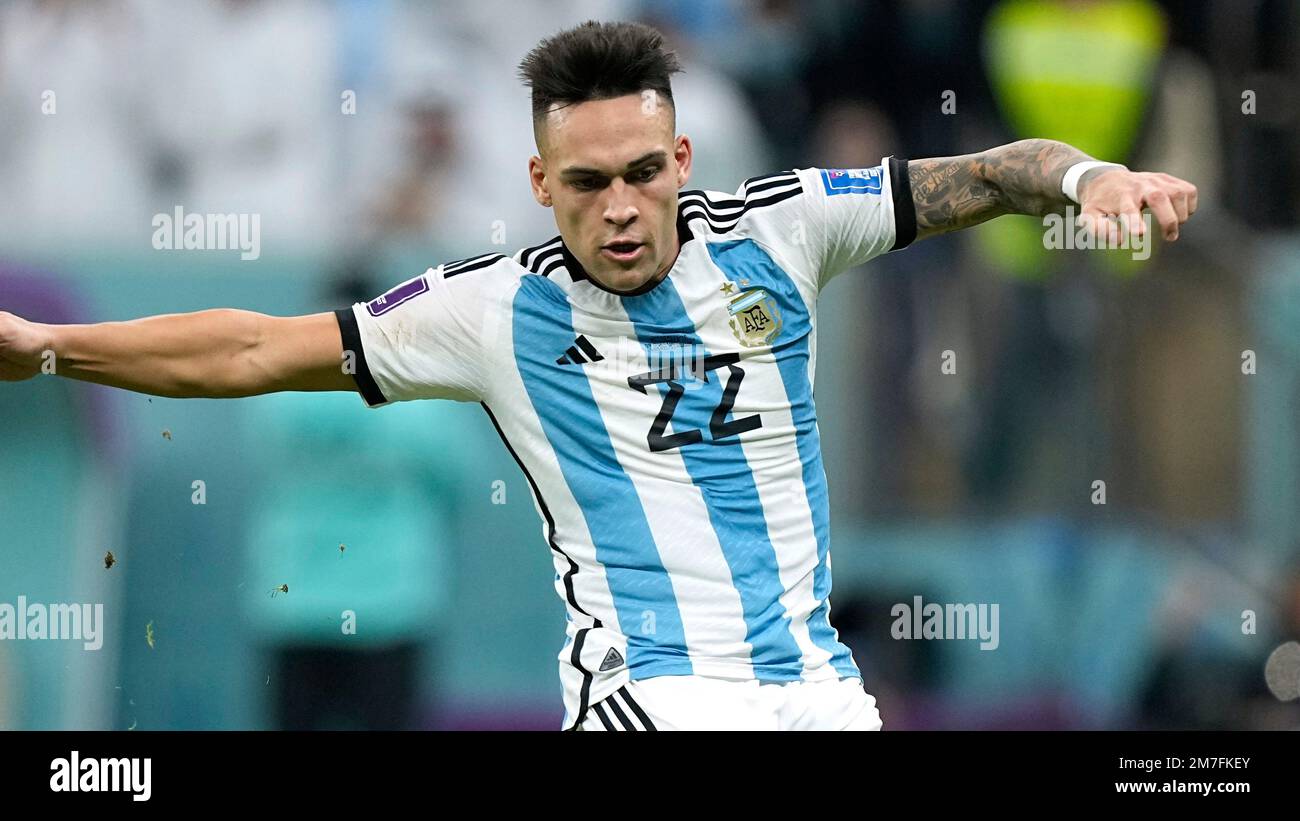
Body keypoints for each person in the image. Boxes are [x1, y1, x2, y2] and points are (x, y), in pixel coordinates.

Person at [0, 20, 1197, 731]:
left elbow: (990, 173)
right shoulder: (490, 307)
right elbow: (256, 346)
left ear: (680, 156)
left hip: (817, 699)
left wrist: (1092, 181)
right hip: (649, 700)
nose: (620, 209)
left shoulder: (784, 230)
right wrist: (51, 345)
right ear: (538, 184)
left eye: (640, 171)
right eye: (585, 184)